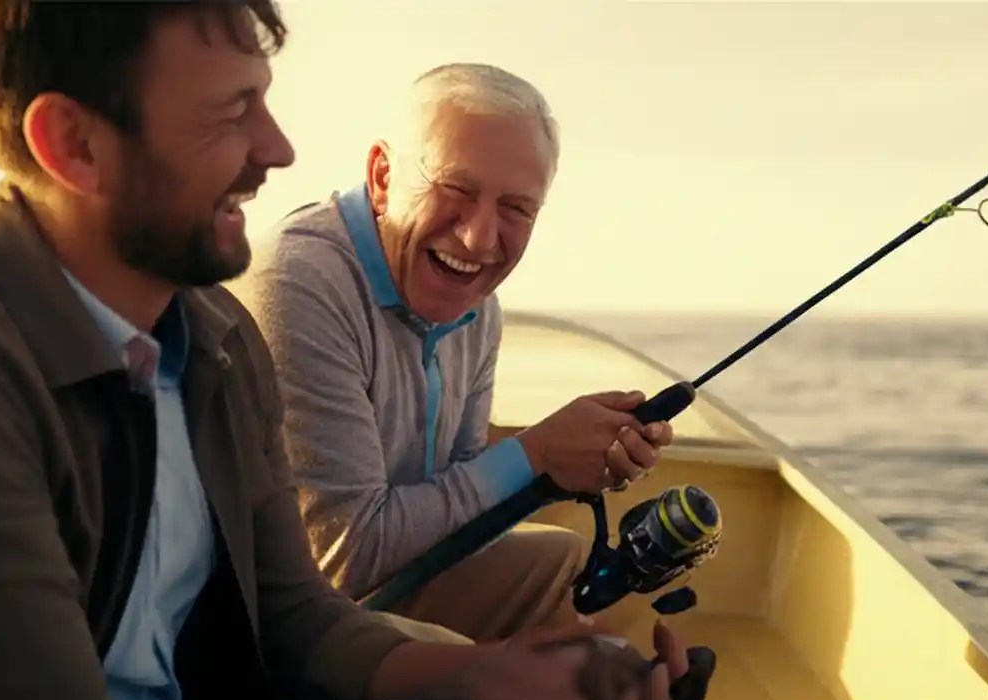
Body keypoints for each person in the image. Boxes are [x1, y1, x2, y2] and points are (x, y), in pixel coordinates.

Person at [0, 2, 689, 700]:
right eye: (229, 113)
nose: (277, 150)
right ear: (76, 146)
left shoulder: (214, 338)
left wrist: (483, 679)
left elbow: (293, 617)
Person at [235, 62, 675, 642]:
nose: (477, 238)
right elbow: (344, 560)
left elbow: (457, 509)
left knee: (576, 572)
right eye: (456, 190)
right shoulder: (300, 284)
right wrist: (536, 456)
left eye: (516, 208)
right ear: (382, 175)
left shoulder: (476, 306)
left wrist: (570, 467)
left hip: (383, 586)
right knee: (551, 660)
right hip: (273, 630)